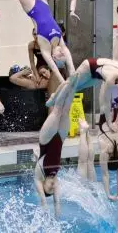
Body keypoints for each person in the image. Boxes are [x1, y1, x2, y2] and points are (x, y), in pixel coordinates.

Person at [48, 58, 118, 132]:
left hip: (97, 75)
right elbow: (106, 103)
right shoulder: (111, 78)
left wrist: (117, 122)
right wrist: (110, 123)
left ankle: (57, 97)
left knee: (75, 89)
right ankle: (54, 96)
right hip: (89, 66)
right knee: (71, 84)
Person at [34, 80, 77, 217]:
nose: (53, 187)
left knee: (58, 110)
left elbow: (43, 200)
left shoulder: (39, 175)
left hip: (46, 140)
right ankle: (73, 82)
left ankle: (65, 86)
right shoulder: (55, 177)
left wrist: (45, 205)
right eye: (53, 189)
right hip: (60, 138)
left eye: (49, 188)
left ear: (43, 185)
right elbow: (57, 204)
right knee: (66, 110)